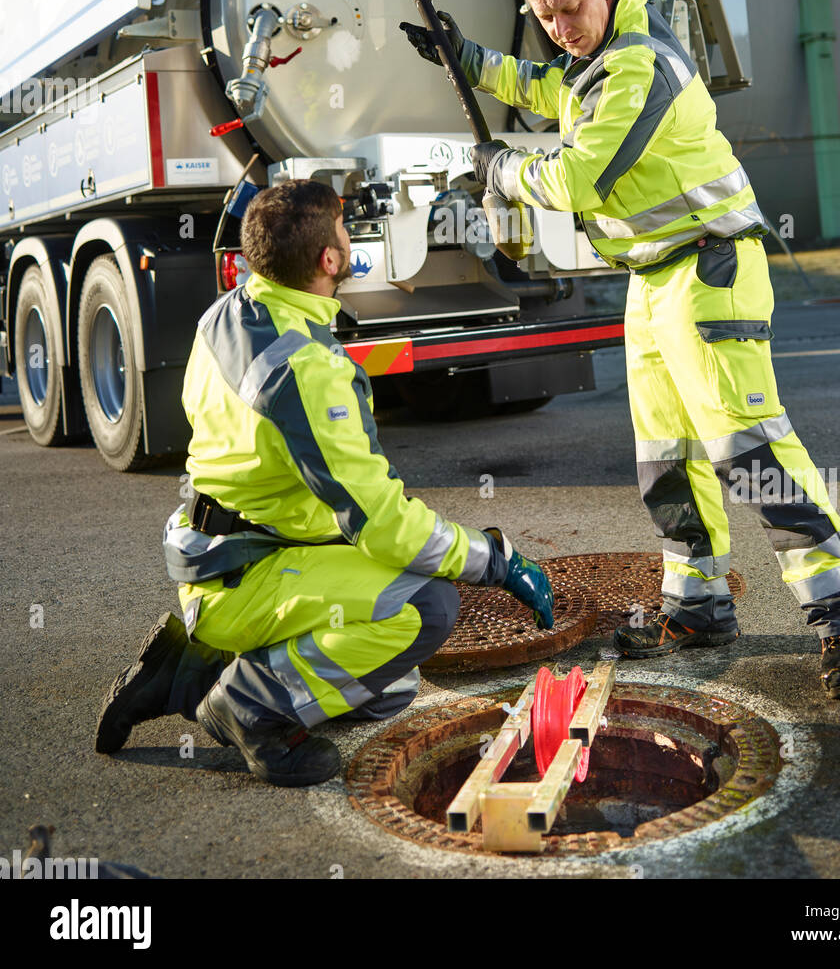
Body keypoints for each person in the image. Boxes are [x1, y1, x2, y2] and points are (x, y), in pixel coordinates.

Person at [401, 0, 840, 699]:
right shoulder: (593, 66)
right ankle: (697, 607)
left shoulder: (637, 64)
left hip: (709, 268)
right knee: (668, 460)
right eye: (545, 16)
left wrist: (503, 169)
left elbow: (582, 175)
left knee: (749, 454)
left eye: (569, 8)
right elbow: (544, 85)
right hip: (653, 280)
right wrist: (470, 58)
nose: (560, 28)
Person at [95, 179, 554, 785]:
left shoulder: (226, 316)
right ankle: (249, 705)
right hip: (248, 571)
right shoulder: (308, 369)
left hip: (222, 553)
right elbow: (385, 525)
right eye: (343, 231)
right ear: (330, 261)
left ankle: (192, 668)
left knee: (392, 688)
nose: (347, 237)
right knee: (426, 607)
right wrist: (495, 559)